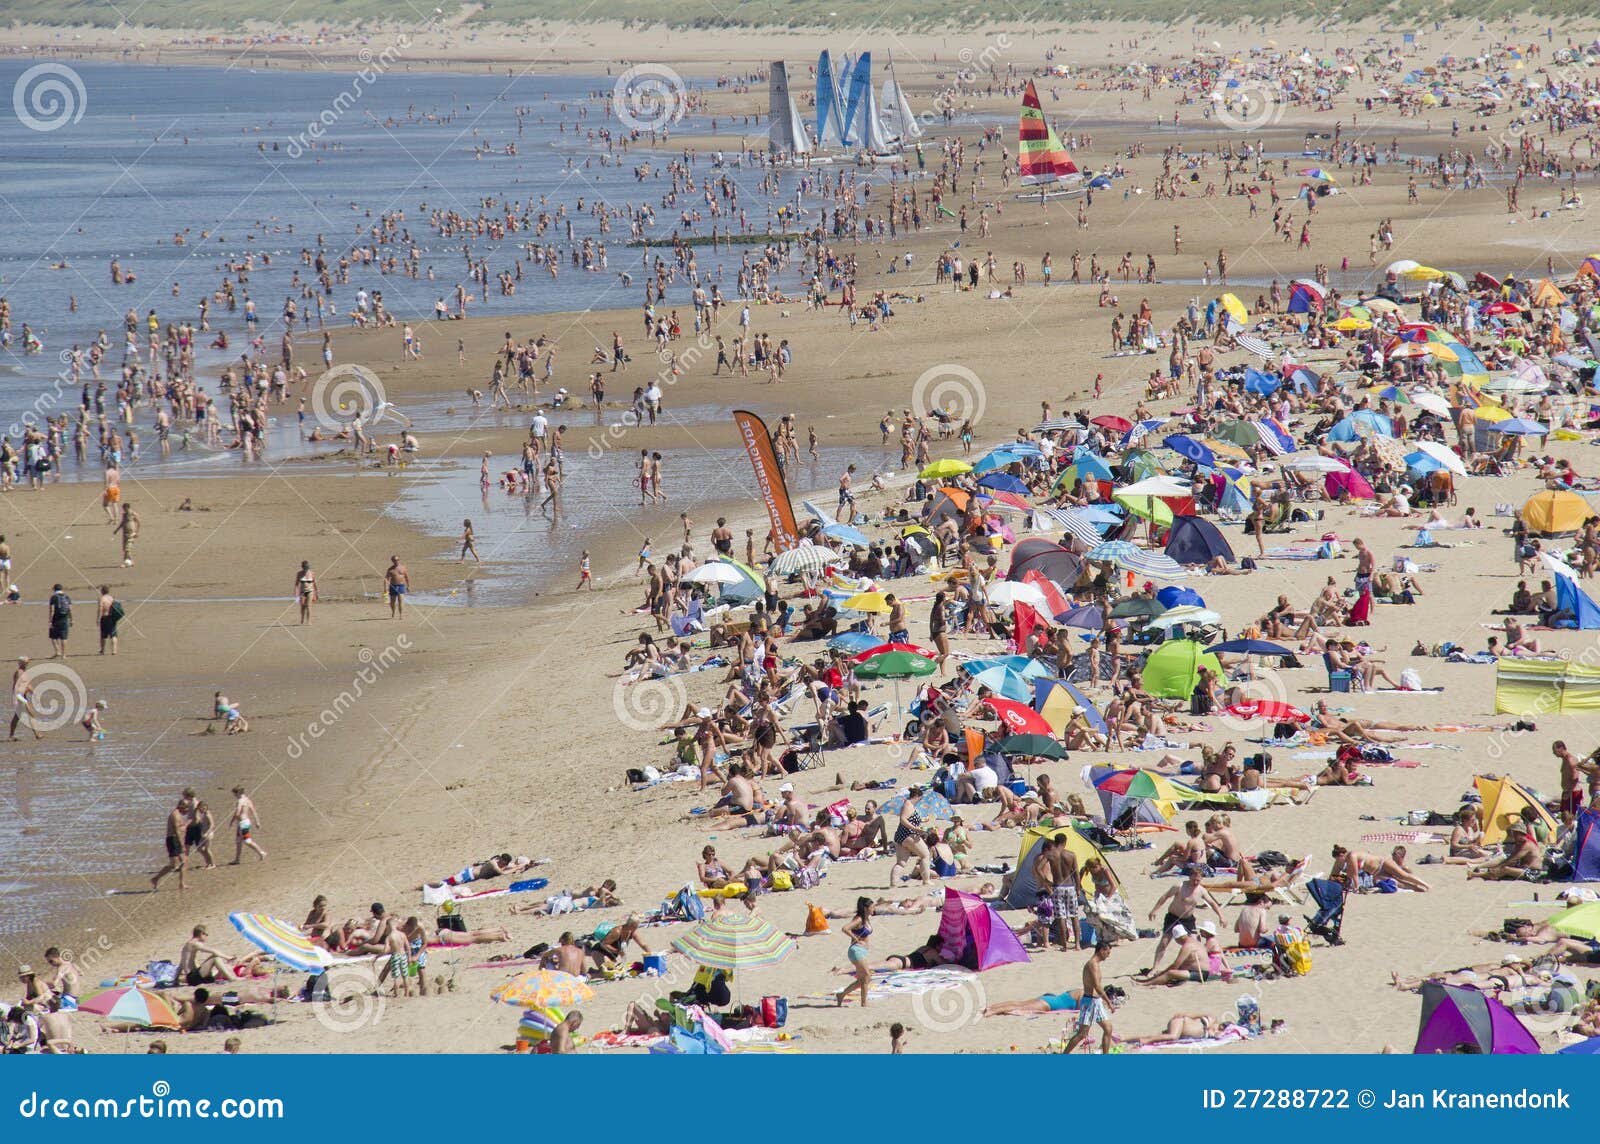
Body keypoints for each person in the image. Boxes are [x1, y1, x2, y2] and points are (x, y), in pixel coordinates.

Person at [1061, 942, 1117, 1054]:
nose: (1108, 955)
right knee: (1082, 1034)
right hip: (1090, 1002)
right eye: (1108, 952)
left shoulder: (1095, 964)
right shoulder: (1092, 965)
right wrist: (1109, 1002)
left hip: (1097, 1002)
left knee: (1108, 1028)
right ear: (1102, 950)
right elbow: (1097, 985)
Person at [835, 896, 874, 1007]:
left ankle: (841, 995)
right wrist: (856, 938)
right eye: (872, 907)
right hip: (856, 950)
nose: (873, 909)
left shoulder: (867, 918)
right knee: (867, 975)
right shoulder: (859, 919)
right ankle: (864, 1004)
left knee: (863, 979)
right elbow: (845, 928)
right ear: (866, 908)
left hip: (863, 951)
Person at [230, 785, 266, 863]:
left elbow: (237, 812)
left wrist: (232, 821)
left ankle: (261, 852)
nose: (234, 796)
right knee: (238, 841)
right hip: (243, 823)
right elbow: (253, 811)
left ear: (238, 793)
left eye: (235, 794)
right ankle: (237, 859)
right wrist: (257, 821)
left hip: (243, 824)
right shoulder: (248, 800)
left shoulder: (240, 801)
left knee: (247, 841)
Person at [46, 584, 71, 658]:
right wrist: (72, 619)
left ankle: (57, 651)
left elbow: (52, 610)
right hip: (65, 618)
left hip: (56, 619)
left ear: (54, 589)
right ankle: (64, 655)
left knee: (53, 636)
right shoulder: (67, 597)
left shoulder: (53, 597)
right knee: (64, 637)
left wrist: (50, 620)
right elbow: (70, 609)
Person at [97, 586, 122, 655]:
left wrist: (98, 619)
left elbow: (100, 609)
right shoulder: (112, 598)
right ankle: (114, 650)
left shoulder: (102, 599)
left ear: (102, 591)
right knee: (113, 634)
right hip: (112, 618)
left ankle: (102, 650)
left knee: (103, 635)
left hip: (105, 617)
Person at [295, 560, 316, 625]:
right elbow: (296, 584)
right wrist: (296, 594)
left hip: (310, 591)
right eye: (304, 568)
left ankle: (309, 621)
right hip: (302, 592)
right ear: (302, 567)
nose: (306, 569)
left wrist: (316, 592)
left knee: (308, 606)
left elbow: (314, 583)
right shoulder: (299, 573)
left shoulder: (312, 573)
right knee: (302, 606)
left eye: (307, 568)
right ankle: (302, 619)